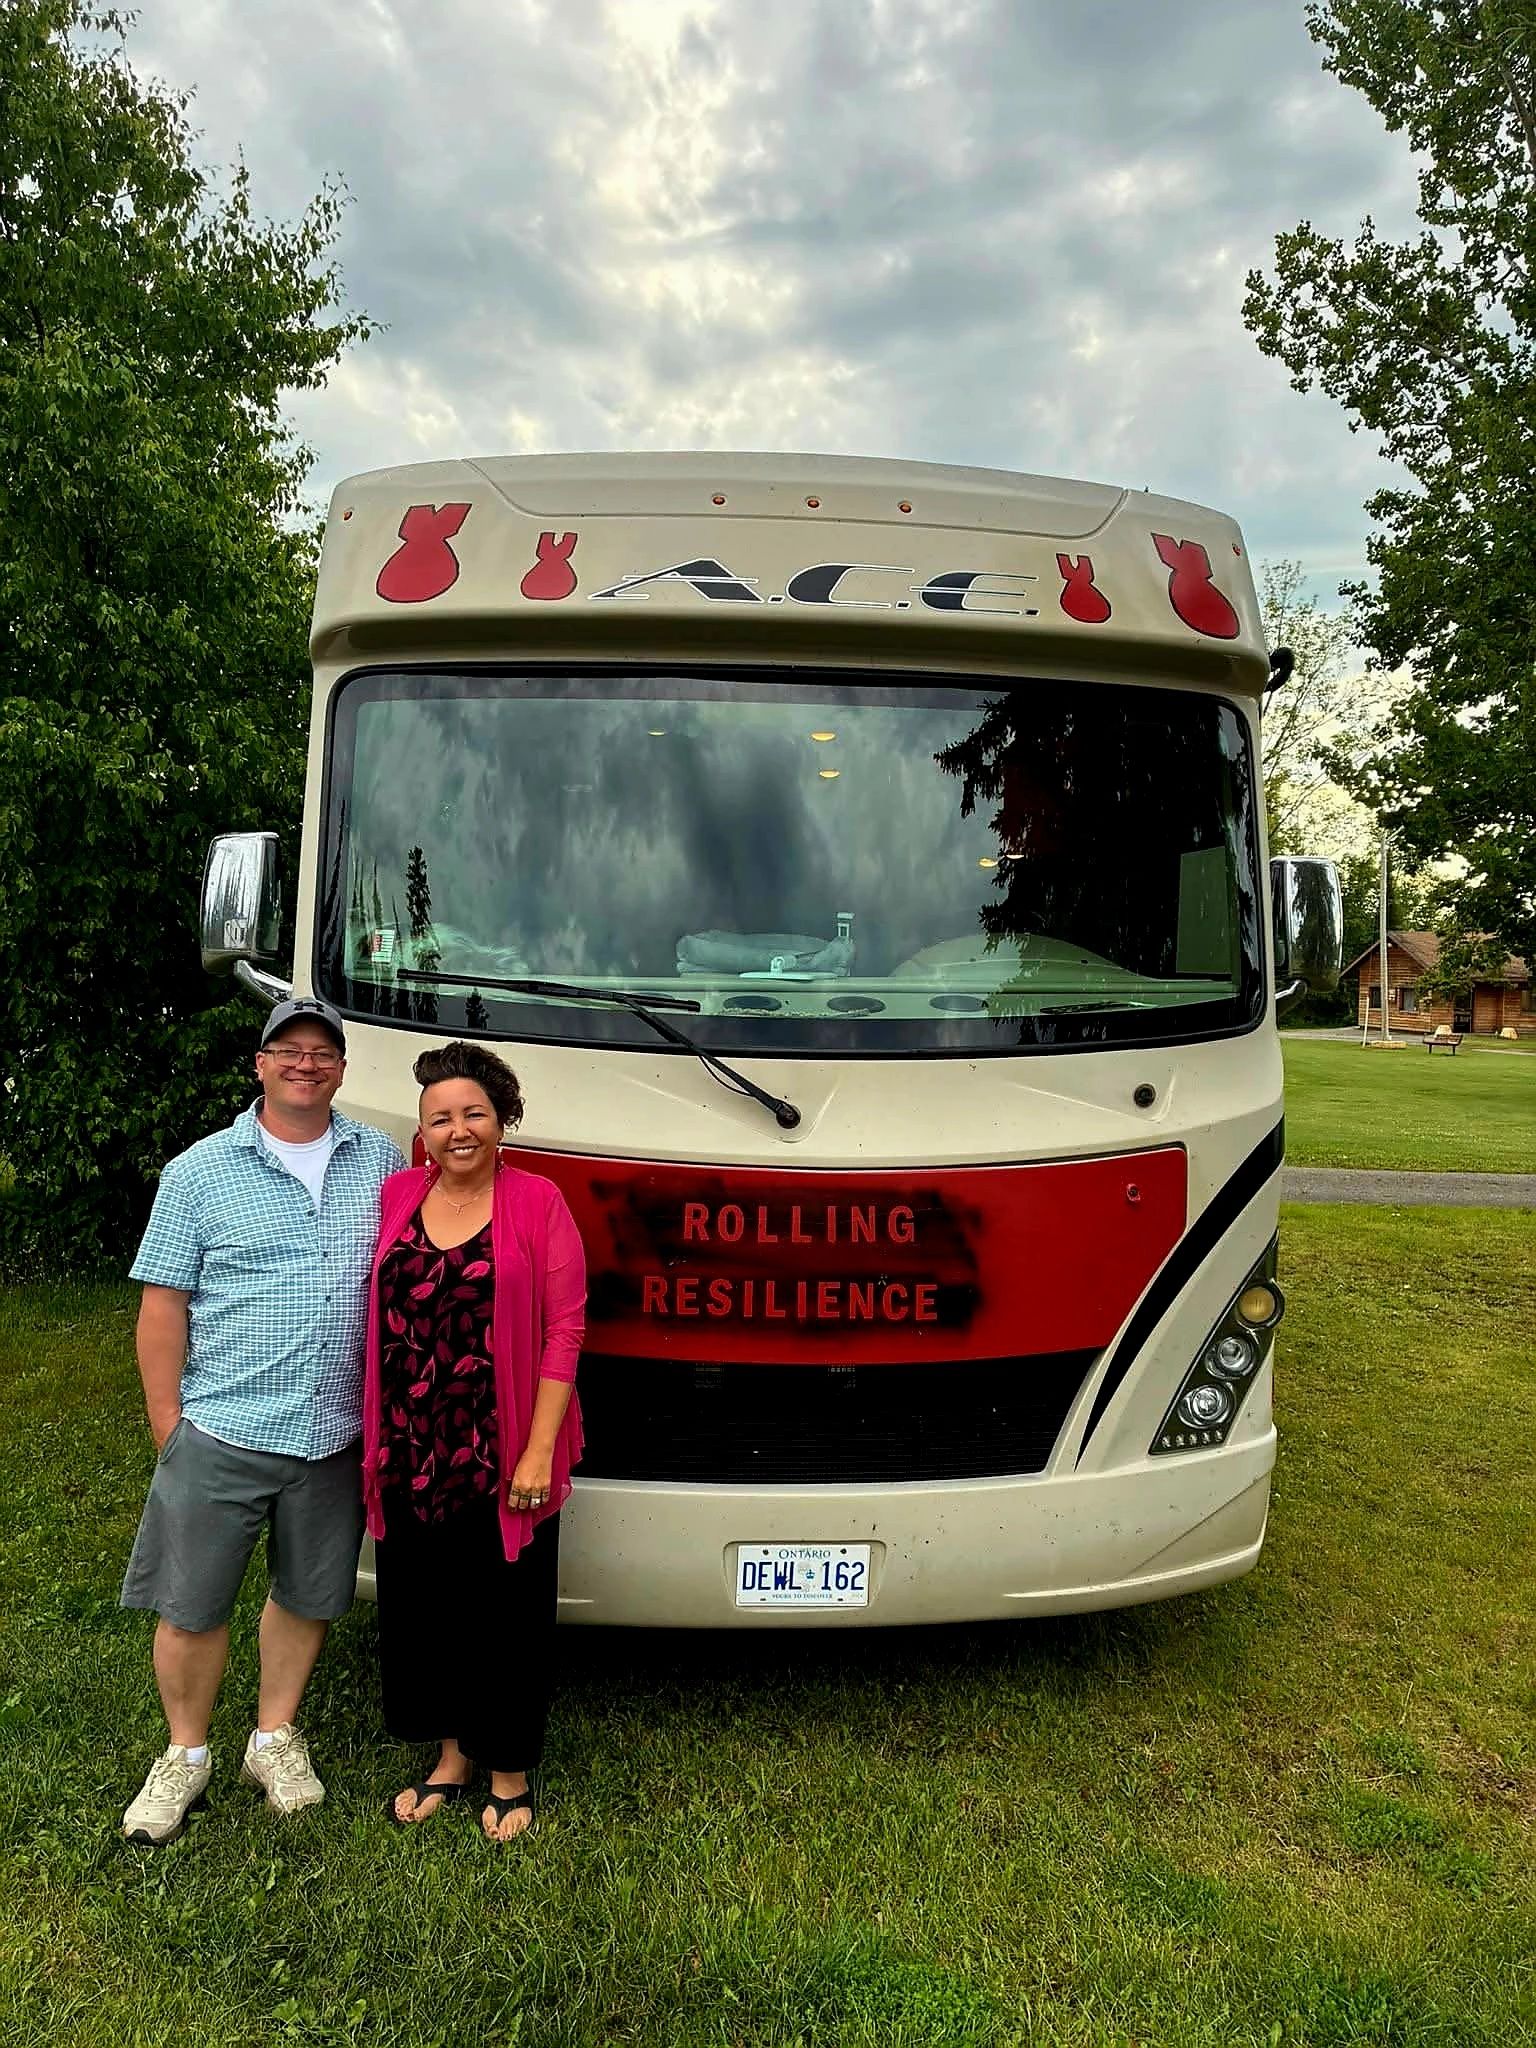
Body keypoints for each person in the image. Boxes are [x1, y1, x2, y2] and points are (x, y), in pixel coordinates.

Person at [120, 998, 406, 1845]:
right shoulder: (199, 1172)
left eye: (323, 1052)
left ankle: (274, 1736)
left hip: (331, 1434)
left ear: (343, 1070)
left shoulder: (379, 1160)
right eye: (289, 1049)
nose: (306, 1063)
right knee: (192, 1603)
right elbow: (163, 1304)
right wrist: (168, 1420)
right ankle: (185, 1754)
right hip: (224, 1428)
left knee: (309, 1595)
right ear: (259, 1064)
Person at [362, 1040, 585, 1842]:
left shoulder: (539, 1202)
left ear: (501, 1120)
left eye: (473, 1114)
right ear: (421, 1131)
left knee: (506, 1614)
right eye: (440, 1117)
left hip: (502, 1453)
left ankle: (509, 1770)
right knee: (428, 1608)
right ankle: (451, 1757)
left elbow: (565, 1330)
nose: (457, 1130)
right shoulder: (394, 1196)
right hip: (409, 1447)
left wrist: (536, 1449)